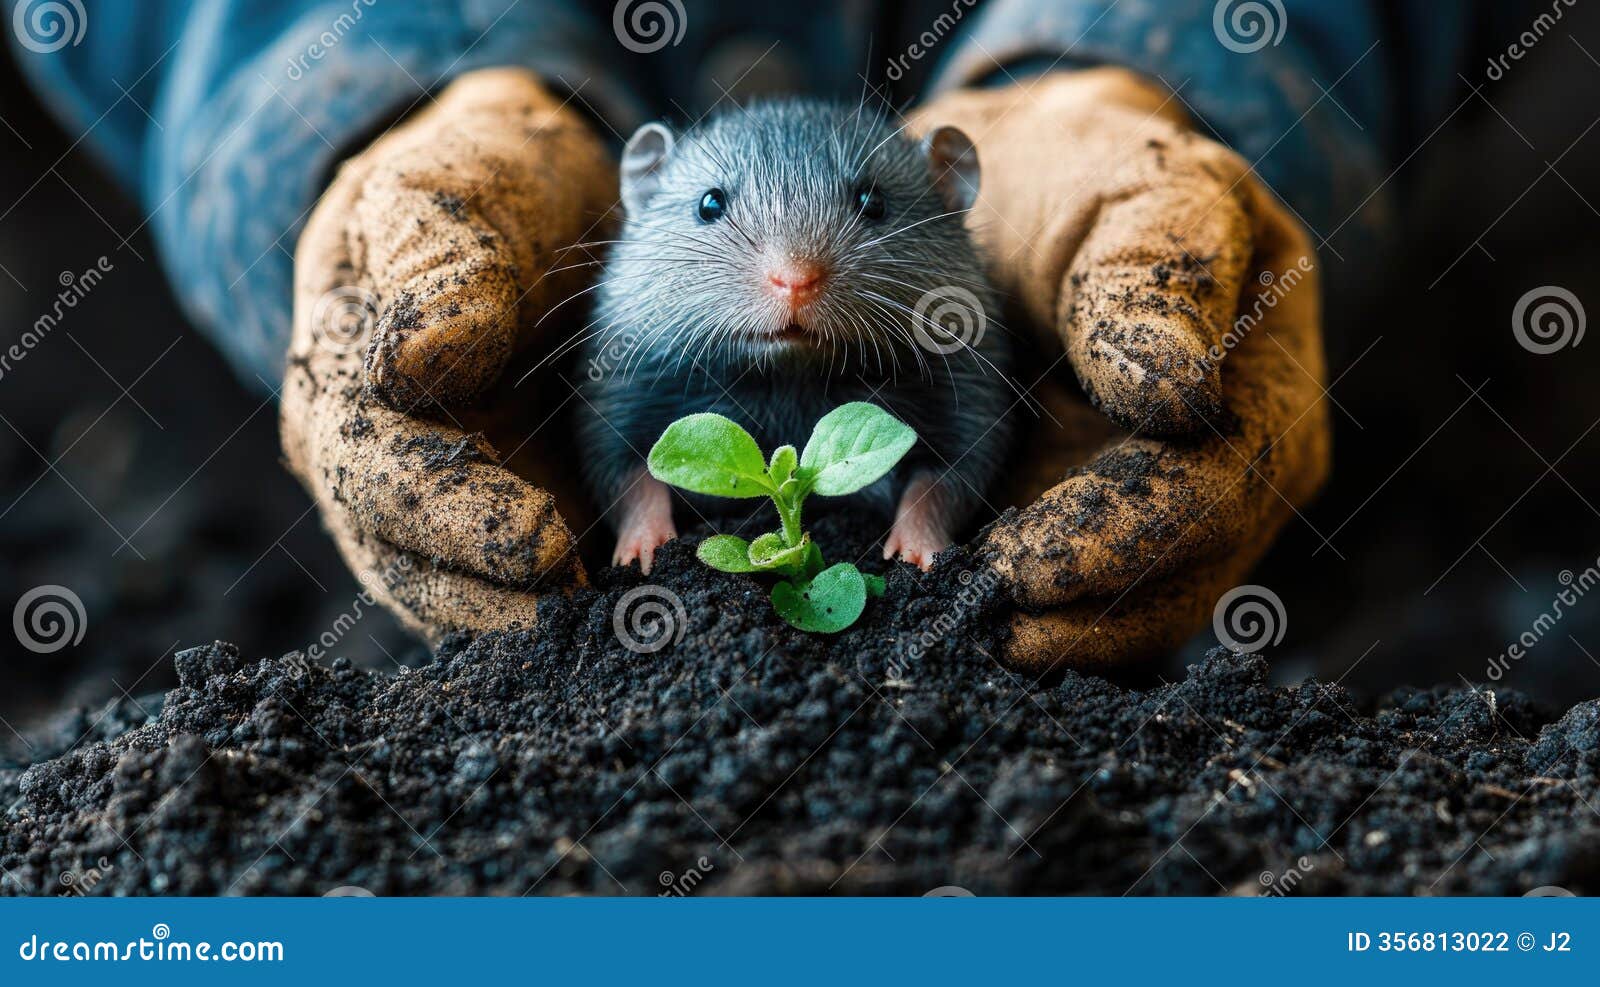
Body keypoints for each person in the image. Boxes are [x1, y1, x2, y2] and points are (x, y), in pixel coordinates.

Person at [6, 0, 1536, 670]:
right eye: (734, 226)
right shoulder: (630, 328)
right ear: (649, 199)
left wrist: (1172, 58)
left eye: (864, 233)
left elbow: (967, 414)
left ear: (947, 203)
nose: (798, 275)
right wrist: (356, 85)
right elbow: (622, 426)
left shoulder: (936, 312)